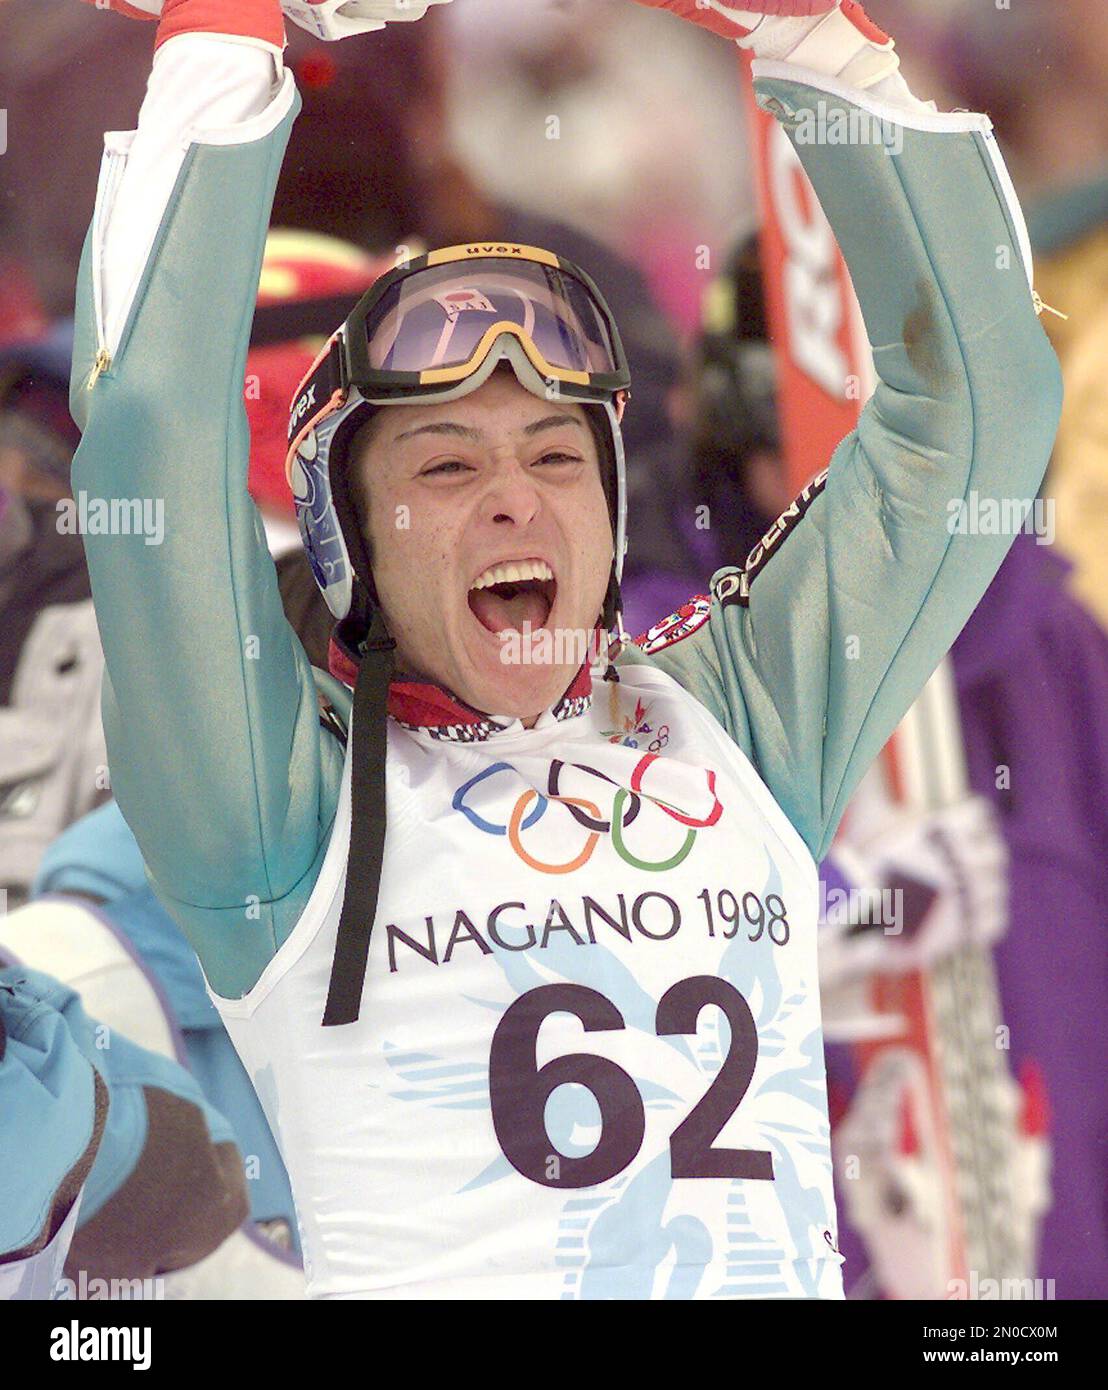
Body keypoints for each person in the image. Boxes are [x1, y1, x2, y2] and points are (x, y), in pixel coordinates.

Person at [69, 0, 1060, 1300]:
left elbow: (983, 416)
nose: (514, 499)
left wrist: (821, 47)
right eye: (444, 463)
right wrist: (226, 38)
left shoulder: (737, 720)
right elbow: (150, 438)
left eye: (554, 456)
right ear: (346, 544)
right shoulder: (275, 815)